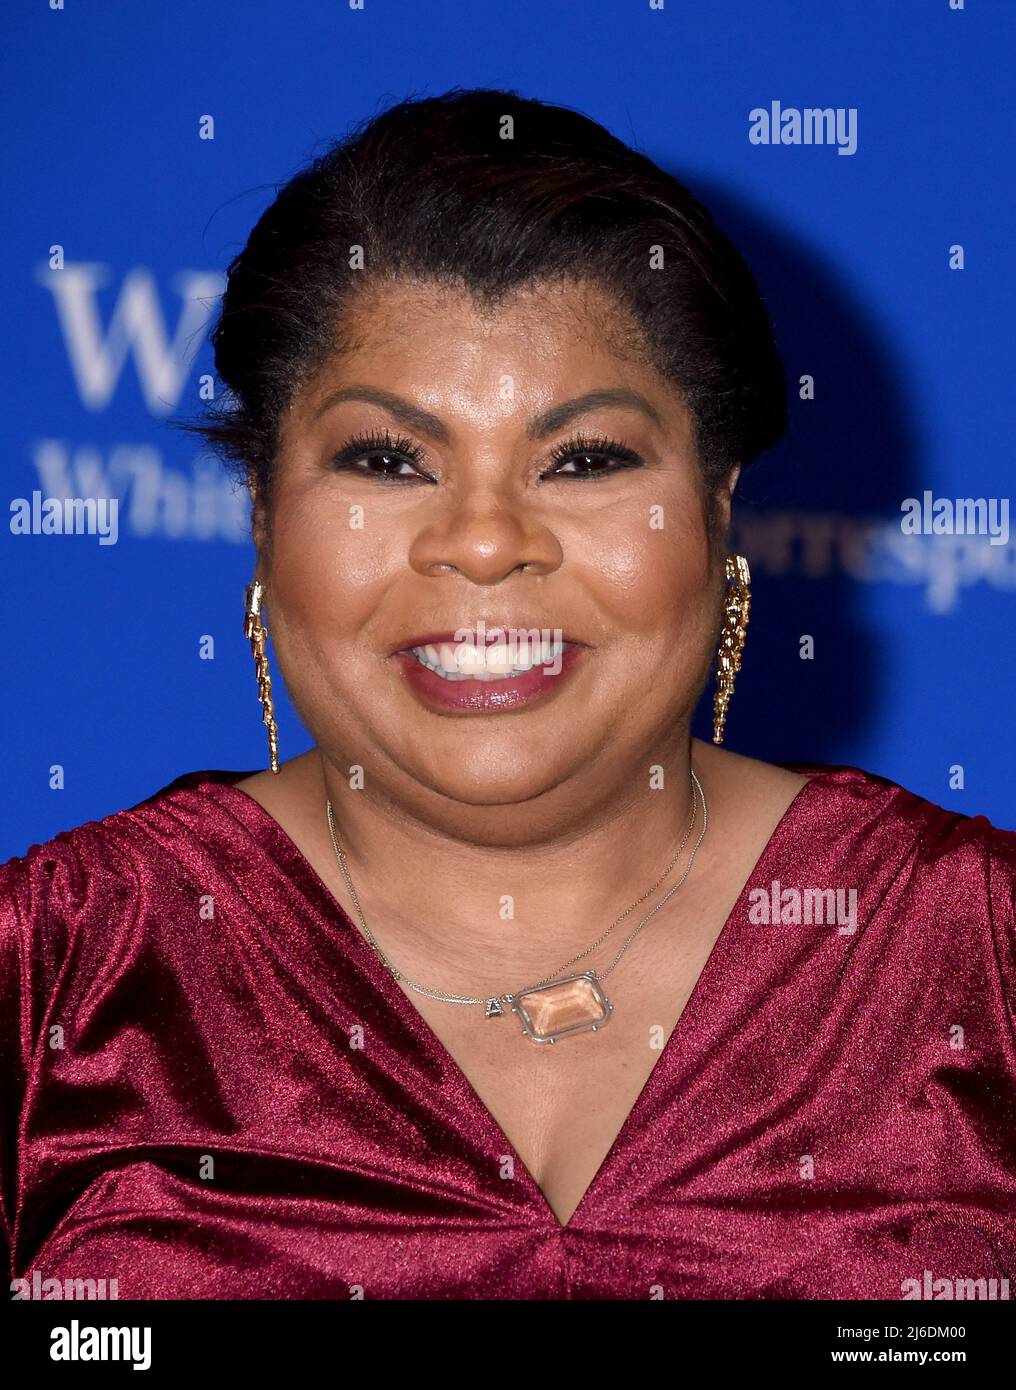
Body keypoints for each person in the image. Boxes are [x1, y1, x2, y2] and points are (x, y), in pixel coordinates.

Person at [3, 88, 1014, 1301]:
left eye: (584, 460)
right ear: (263, 517)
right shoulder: (57, 968)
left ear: (715, 510)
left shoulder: (979, 957)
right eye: (386, 460)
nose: (482, 544)